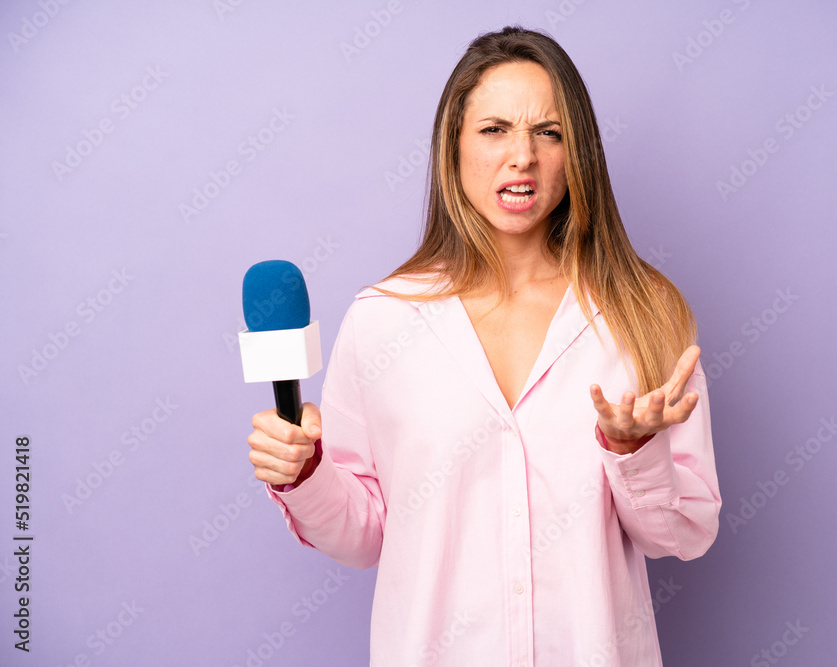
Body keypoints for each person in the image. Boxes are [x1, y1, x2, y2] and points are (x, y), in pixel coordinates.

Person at [247, 25, 721, 667]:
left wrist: (633, 452)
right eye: (494, 129)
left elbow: (685, 534)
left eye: (549, 132)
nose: (522, 155)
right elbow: (364, 537)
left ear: (578, 152)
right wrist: (305, 473)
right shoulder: (382, 320)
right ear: (454, 147)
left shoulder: (644, 314)